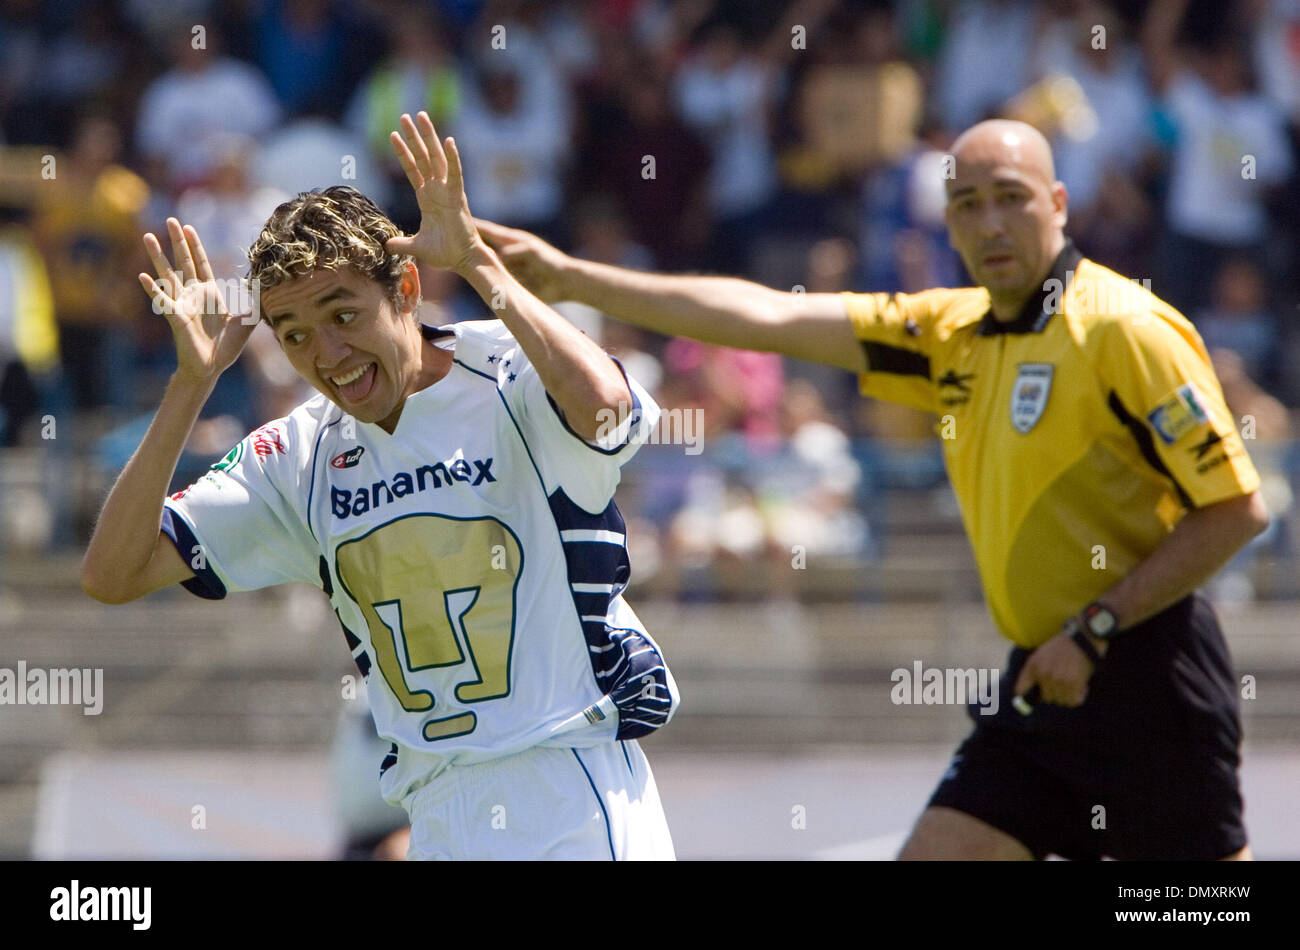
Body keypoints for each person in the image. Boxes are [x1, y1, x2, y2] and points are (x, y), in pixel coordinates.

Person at [475, 118, 1269, 861]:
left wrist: (1097, 625)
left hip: (1147, 674)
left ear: (1059, 204)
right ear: (945, 222)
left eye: (1011, 199)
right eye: (966, 204)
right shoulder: (948, 331)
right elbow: (763, 317)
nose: (989, 223)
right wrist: (572, 276)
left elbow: (1237, 510)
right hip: (1043, 680)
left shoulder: (1125, 330)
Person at [81, 112, 679, 861]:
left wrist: (480, 266)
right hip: (432, 814)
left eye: (342, 315)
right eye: (293, 334)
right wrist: (188, 388)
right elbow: (112, 574)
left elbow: (605, 410)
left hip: (570, 793)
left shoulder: (505, 366)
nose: (326, 354)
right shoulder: (296, 454)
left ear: (404, 287)